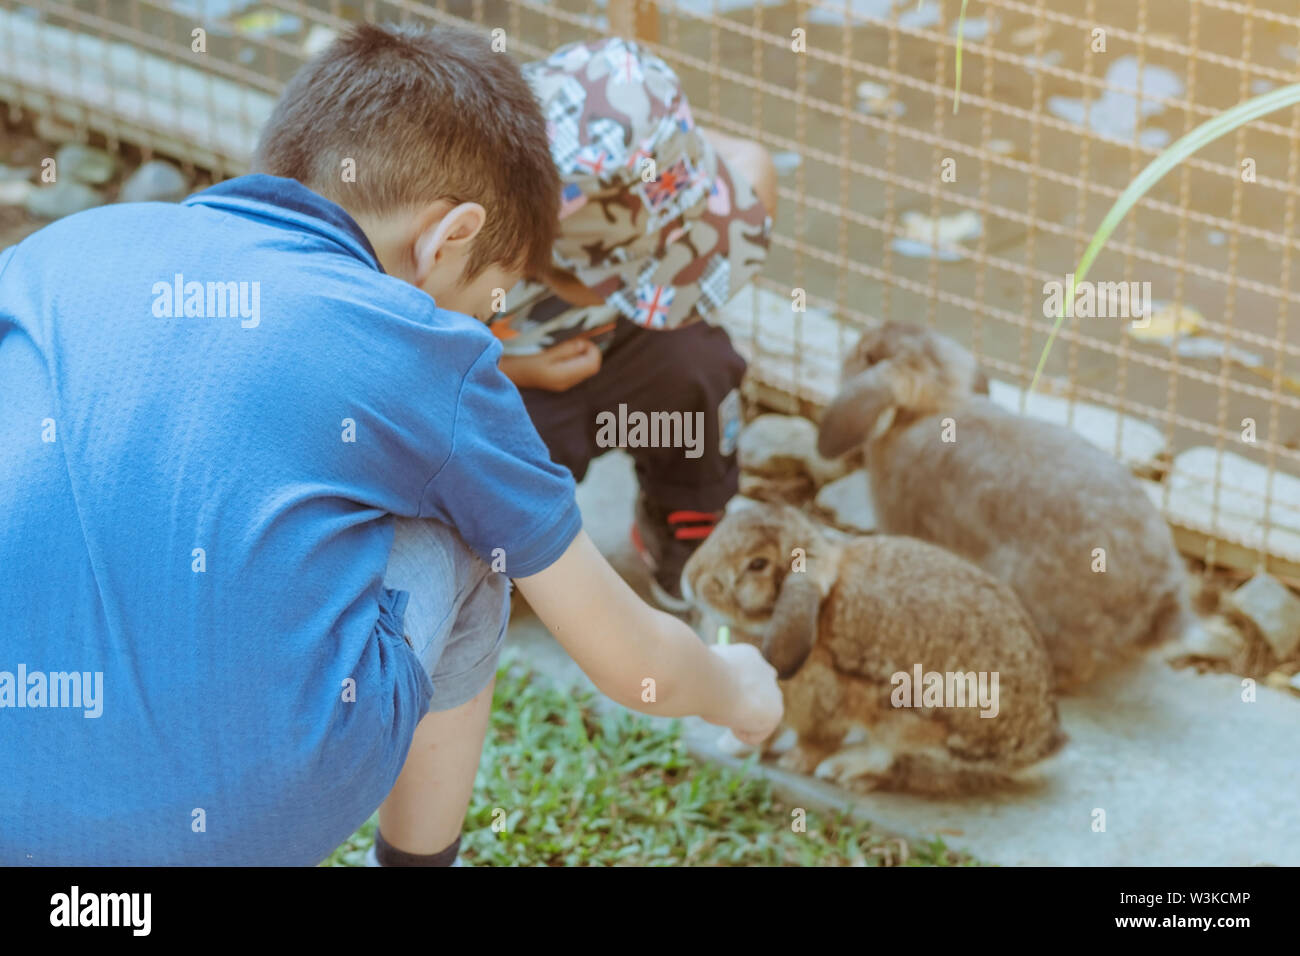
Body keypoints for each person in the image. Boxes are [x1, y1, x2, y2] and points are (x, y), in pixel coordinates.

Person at [0, 23, 782, 866]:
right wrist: (737, 686)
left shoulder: (55, 255)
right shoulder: (424, 352)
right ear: (446, 238)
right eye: (486, 300)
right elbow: (635, 666)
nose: (482, 326)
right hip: (238, 823)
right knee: (476, 531)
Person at [492, 38, 778, 611]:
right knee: (496, 469)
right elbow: (398, 355)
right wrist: (509, 367)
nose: (661, 283)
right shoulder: (462, 234)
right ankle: (498, 556)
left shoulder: (656, 148)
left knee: (695, 370)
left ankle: (685, 517)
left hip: (621, 345)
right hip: (494, 370)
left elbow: (752, 167)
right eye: (638, 272)